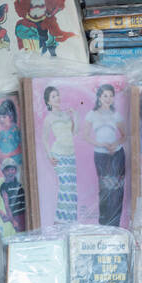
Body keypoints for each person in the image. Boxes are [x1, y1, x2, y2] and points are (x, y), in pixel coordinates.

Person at [83, 83, 126, 227]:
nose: (108, 98)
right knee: (105, 189)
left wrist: (115, 144)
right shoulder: (92, 114)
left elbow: (124, 136)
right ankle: (104, 224)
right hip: (101, 155)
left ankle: (115, 225)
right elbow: (86, 136)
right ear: (99, 97)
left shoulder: (116, 115)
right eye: (105, 95)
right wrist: (101, 145)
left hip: (117, 155)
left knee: (117, 189)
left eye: (111, 96)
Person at [42, 85, 78, 223]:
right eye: (53, 96)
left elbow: (74, 133)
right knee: (64, 187)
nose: (57, 98)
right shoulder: (49, 118)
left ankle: (71, 220)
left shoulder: (66, 114)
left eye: (57, 95)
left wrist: (75, 117)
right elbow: (44, 139)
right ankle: (60, 220)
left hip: (71, 154)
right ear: (48, 102)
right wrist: (49, 156)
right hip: (59, 155)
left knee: (72, 188)